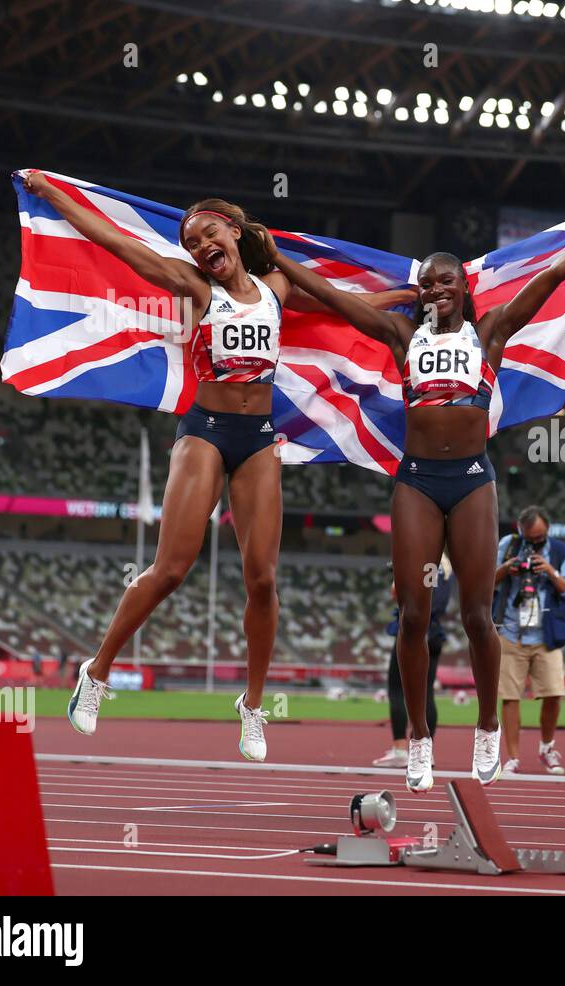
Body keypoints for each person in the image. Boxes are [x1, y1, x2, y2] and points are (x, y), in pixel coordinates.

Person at [31, 171, 409, 761]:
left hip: (258, 438)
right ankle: (96, 671)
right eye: (191, 242)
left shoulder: (278, 288)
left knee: (262, 578)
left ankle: (252, 707)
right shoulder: (197, 290)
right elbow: (116, 243)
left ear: (232, 232)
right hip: (205, 431)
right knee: (171, 569)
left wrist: (404, 297)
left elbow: (343, 306)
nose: (201, 245)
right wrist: (51, 194)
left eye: (209, 232)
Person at [272, 207, 565, 791]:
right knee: (414, 615)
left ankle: (488, 725)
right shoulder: (402, 334)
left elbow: (551, 279)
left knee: (477, 615)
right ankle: (419, 737)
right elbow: (336, 299)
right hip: (417, 479)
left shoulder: (490, 331)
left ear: (463, 287)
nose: (435, 291)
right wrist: (276, 259)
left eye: (445, 281)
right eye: (427, 284)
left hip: (472, 480)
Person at [492, 505, 565, 775]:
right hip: (511, 631)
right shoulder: (507, 545)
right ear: (520, 530)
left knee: (554, 694)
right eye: (530, 538)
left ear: (548, 531)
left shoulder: (562, 551)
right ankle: (514, 758)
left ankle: (547, 747)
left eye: (540, 538)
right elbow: (486, 580)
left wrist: (550, 571)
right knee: (509, 697)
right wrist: (508, 568)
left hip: (546, 634)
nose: (534, 543)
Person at [372, 558, 454, 768]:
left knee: (397, 689)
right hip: (435, 629)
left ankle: (400, 749)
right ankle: (426, 751)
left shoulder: (419, 553)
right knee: (427, 693)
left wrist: (398, 574)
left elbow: (397, 593)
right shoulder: (445, 563)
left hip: (413, 629)